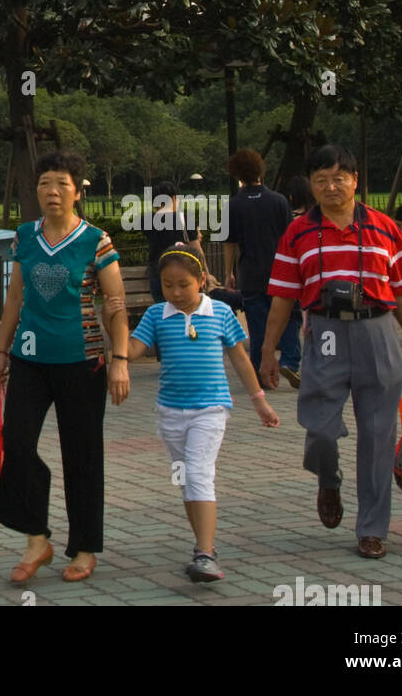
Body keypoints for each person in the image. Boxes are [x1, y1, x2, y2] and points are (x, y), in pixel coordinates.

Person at [260, 145, 402, 560]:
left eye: (339, 178)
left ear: (356, 180)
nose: (331, 187)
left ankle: (372, 529)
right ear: (311, 186)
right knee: (319, 428)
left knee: (377, 437)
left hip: (377, 333)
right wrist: (268, 351)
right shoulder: (297, 231)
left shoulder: (385, 228)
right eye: (321, 180)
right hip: (324, 334)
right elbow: (283, 298)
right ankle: (328, 478)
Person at [0, 152, 130, 583]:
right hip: (29, 360)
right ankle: (37, 538)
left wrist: (120, 360)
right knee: (17, 442)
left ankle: (84, 548)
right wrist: (1, 351)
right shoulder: (25, 237)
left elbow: (116, 302)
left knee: (82, 454)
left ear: (77, 191)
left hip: (82, 362)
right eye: (45, 183)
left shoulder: (95, 240)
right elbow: (15, 298)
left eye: (62, 183)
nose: (52, 191)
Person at [128, 244, 279, 581]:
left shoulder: (221, 313)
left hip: (210, 410)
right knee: (184, 480)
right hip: (169, 412)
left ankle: (205, 554)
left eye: (184, 284)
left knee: (198, 474)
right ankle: (202, 543)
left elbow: (240, 358)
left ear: (201, 281)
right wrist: (115, 332)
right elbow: (134, 349)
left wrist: (259, 400)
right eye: (168, 285)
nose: (176, 292)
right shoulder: (156, 315)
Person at [221, 148, 299, 388]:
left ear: (237, 175)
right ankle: (290, 360)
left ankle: (258, 371)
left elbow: (230, 243)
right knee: (289, 318)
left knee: (257, 324)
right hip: (281, 273)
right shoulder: (279, 200)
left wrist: (229, 273)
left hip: (251, 274)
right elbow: (290, 238)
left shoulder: (233, 205)